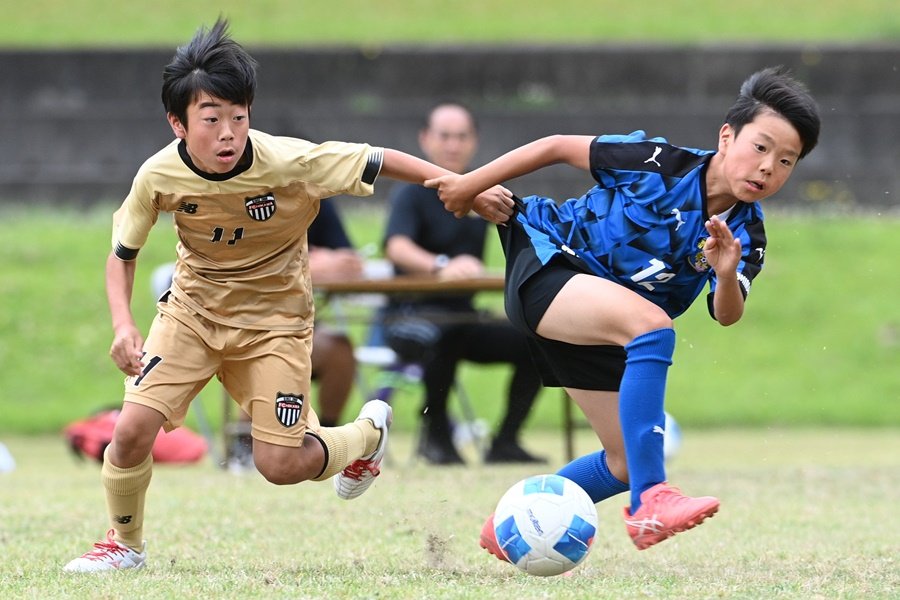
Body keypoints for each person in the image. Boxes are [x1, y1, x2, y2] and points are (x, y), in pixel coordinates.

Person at [63, 18, 510, 573]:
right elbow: (121, 256)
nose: (228, 133)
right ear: (178, 123)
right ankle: (125, 545)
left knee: (278, 464)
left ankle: (365, 436)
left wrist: (459, 183)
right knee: (129, 432)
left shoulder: (290, 162)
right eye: (211, 119)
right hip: (191, 317)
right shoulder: (157, 175)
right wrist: (122, 326)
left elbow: (380, 159)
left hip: (275, 324)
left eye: (239, 117)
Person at [426, 66, 820, 552]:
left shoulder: (747, 233)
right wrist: (470, 184)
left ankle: (508, 526)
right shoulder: (658, 161)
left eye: (787, 161)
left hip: (602, 321)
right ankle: (652, 500)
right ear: (726, 136)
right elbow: (554, 146)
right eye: (760, 147)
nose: (768, 167)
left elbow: (727, 313)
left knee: (623, 462)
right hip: (551, 265)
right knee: (652, 328)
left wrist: (723, 273)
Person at [382, 103, 544, 466]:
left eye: (461, 137)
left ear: (474, 142)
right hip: (412, 317)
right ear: (425, 139)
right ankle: (436, 436)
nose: (453, 145)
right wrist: (442, 266)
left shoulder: (482, 191)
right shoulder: (411, 192)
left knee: (536, 340)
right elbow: (396, 246)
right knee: (445, 334)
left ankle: (505, 441)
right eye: (444, 136)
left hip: (465, 315)